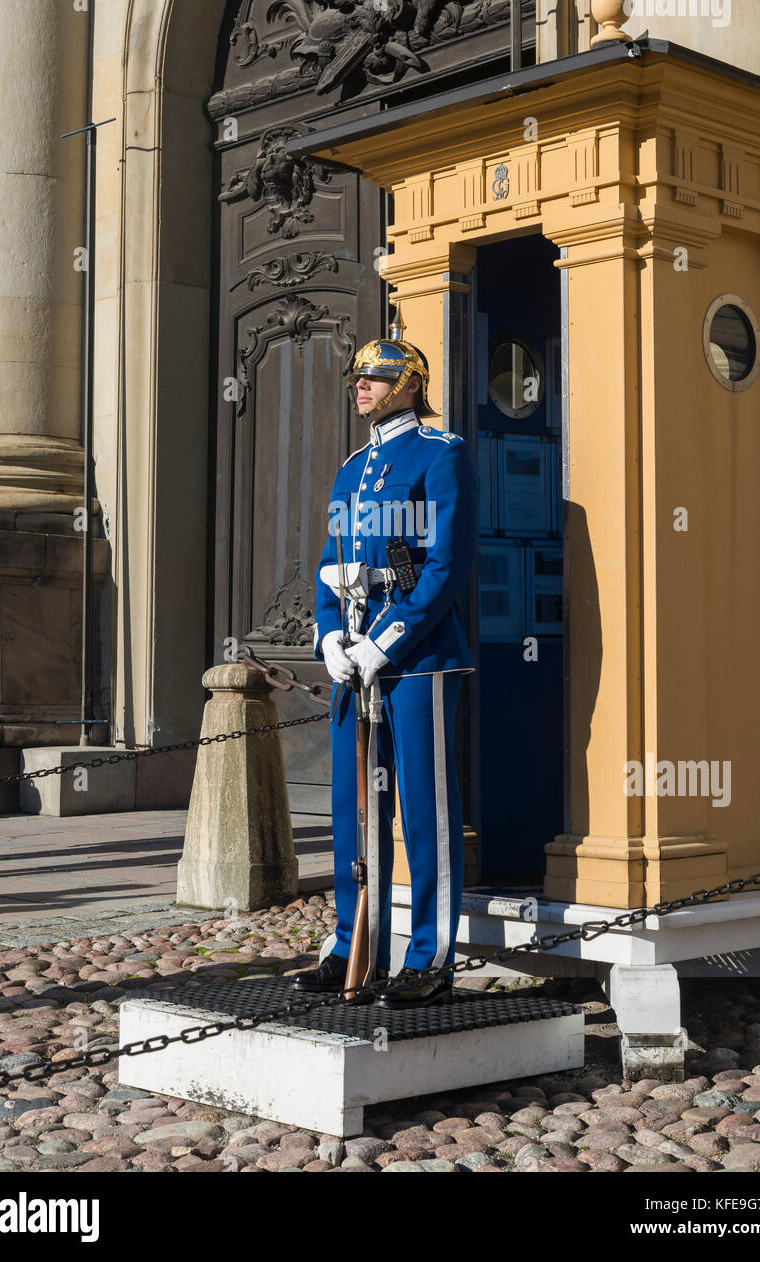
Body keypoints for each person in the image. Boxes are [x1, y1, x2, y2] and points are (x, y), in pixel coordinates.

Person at [293, 311, 478, 1006]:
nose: (360, 387)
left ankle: (429, 957)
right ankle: (352, 946)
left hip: (418, 660)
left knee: (423, 811)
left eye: (373, 377)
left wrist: (384, 641)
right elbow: (331, 563)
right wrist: (329, 637)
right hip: (354, 662)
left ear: (408, 384)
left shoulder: (441, 452)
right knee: (352, 809)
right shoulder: (352, 468)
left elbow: (445, 566)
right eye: (359, 377)